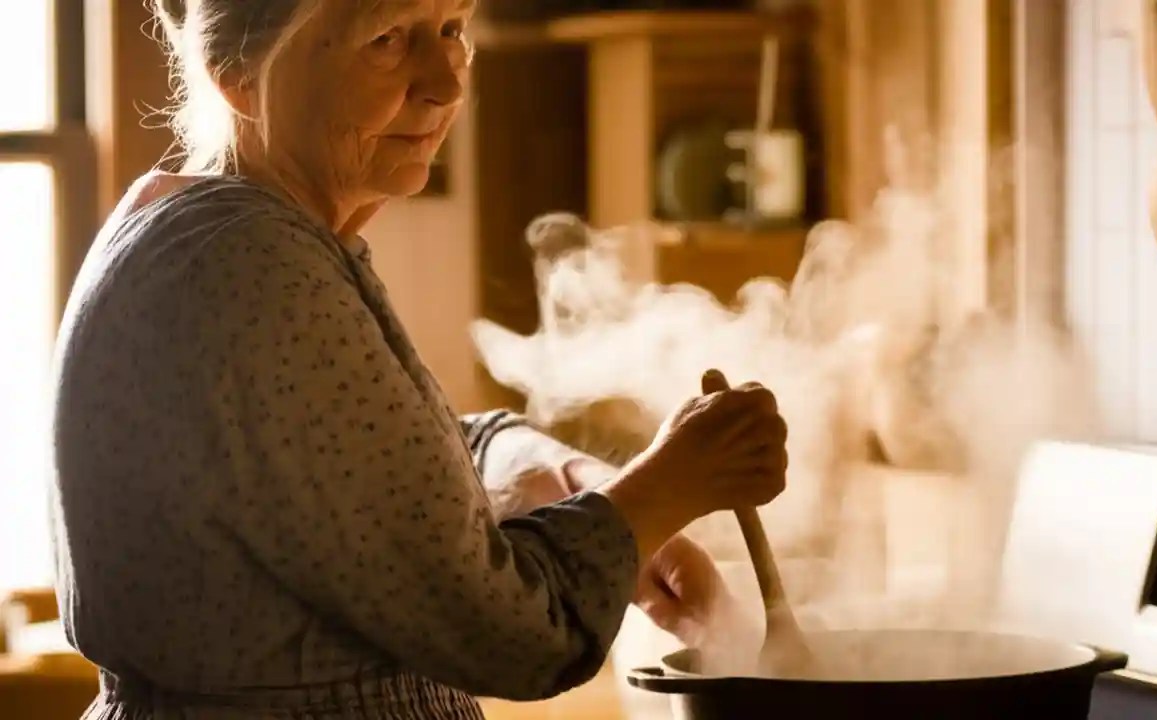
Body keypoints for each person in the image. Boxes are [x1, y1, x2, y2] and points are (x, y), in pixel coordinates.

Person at [47, 0, 789, 718]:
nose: (449, 80)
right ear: (235, 69)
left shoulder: (212, 231)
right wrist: (665, 490)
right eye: (390, 38)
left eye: (452, 27)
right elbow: (508, 633)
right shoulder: (251, 264)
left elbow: (366, 459)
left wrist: (565, 478)